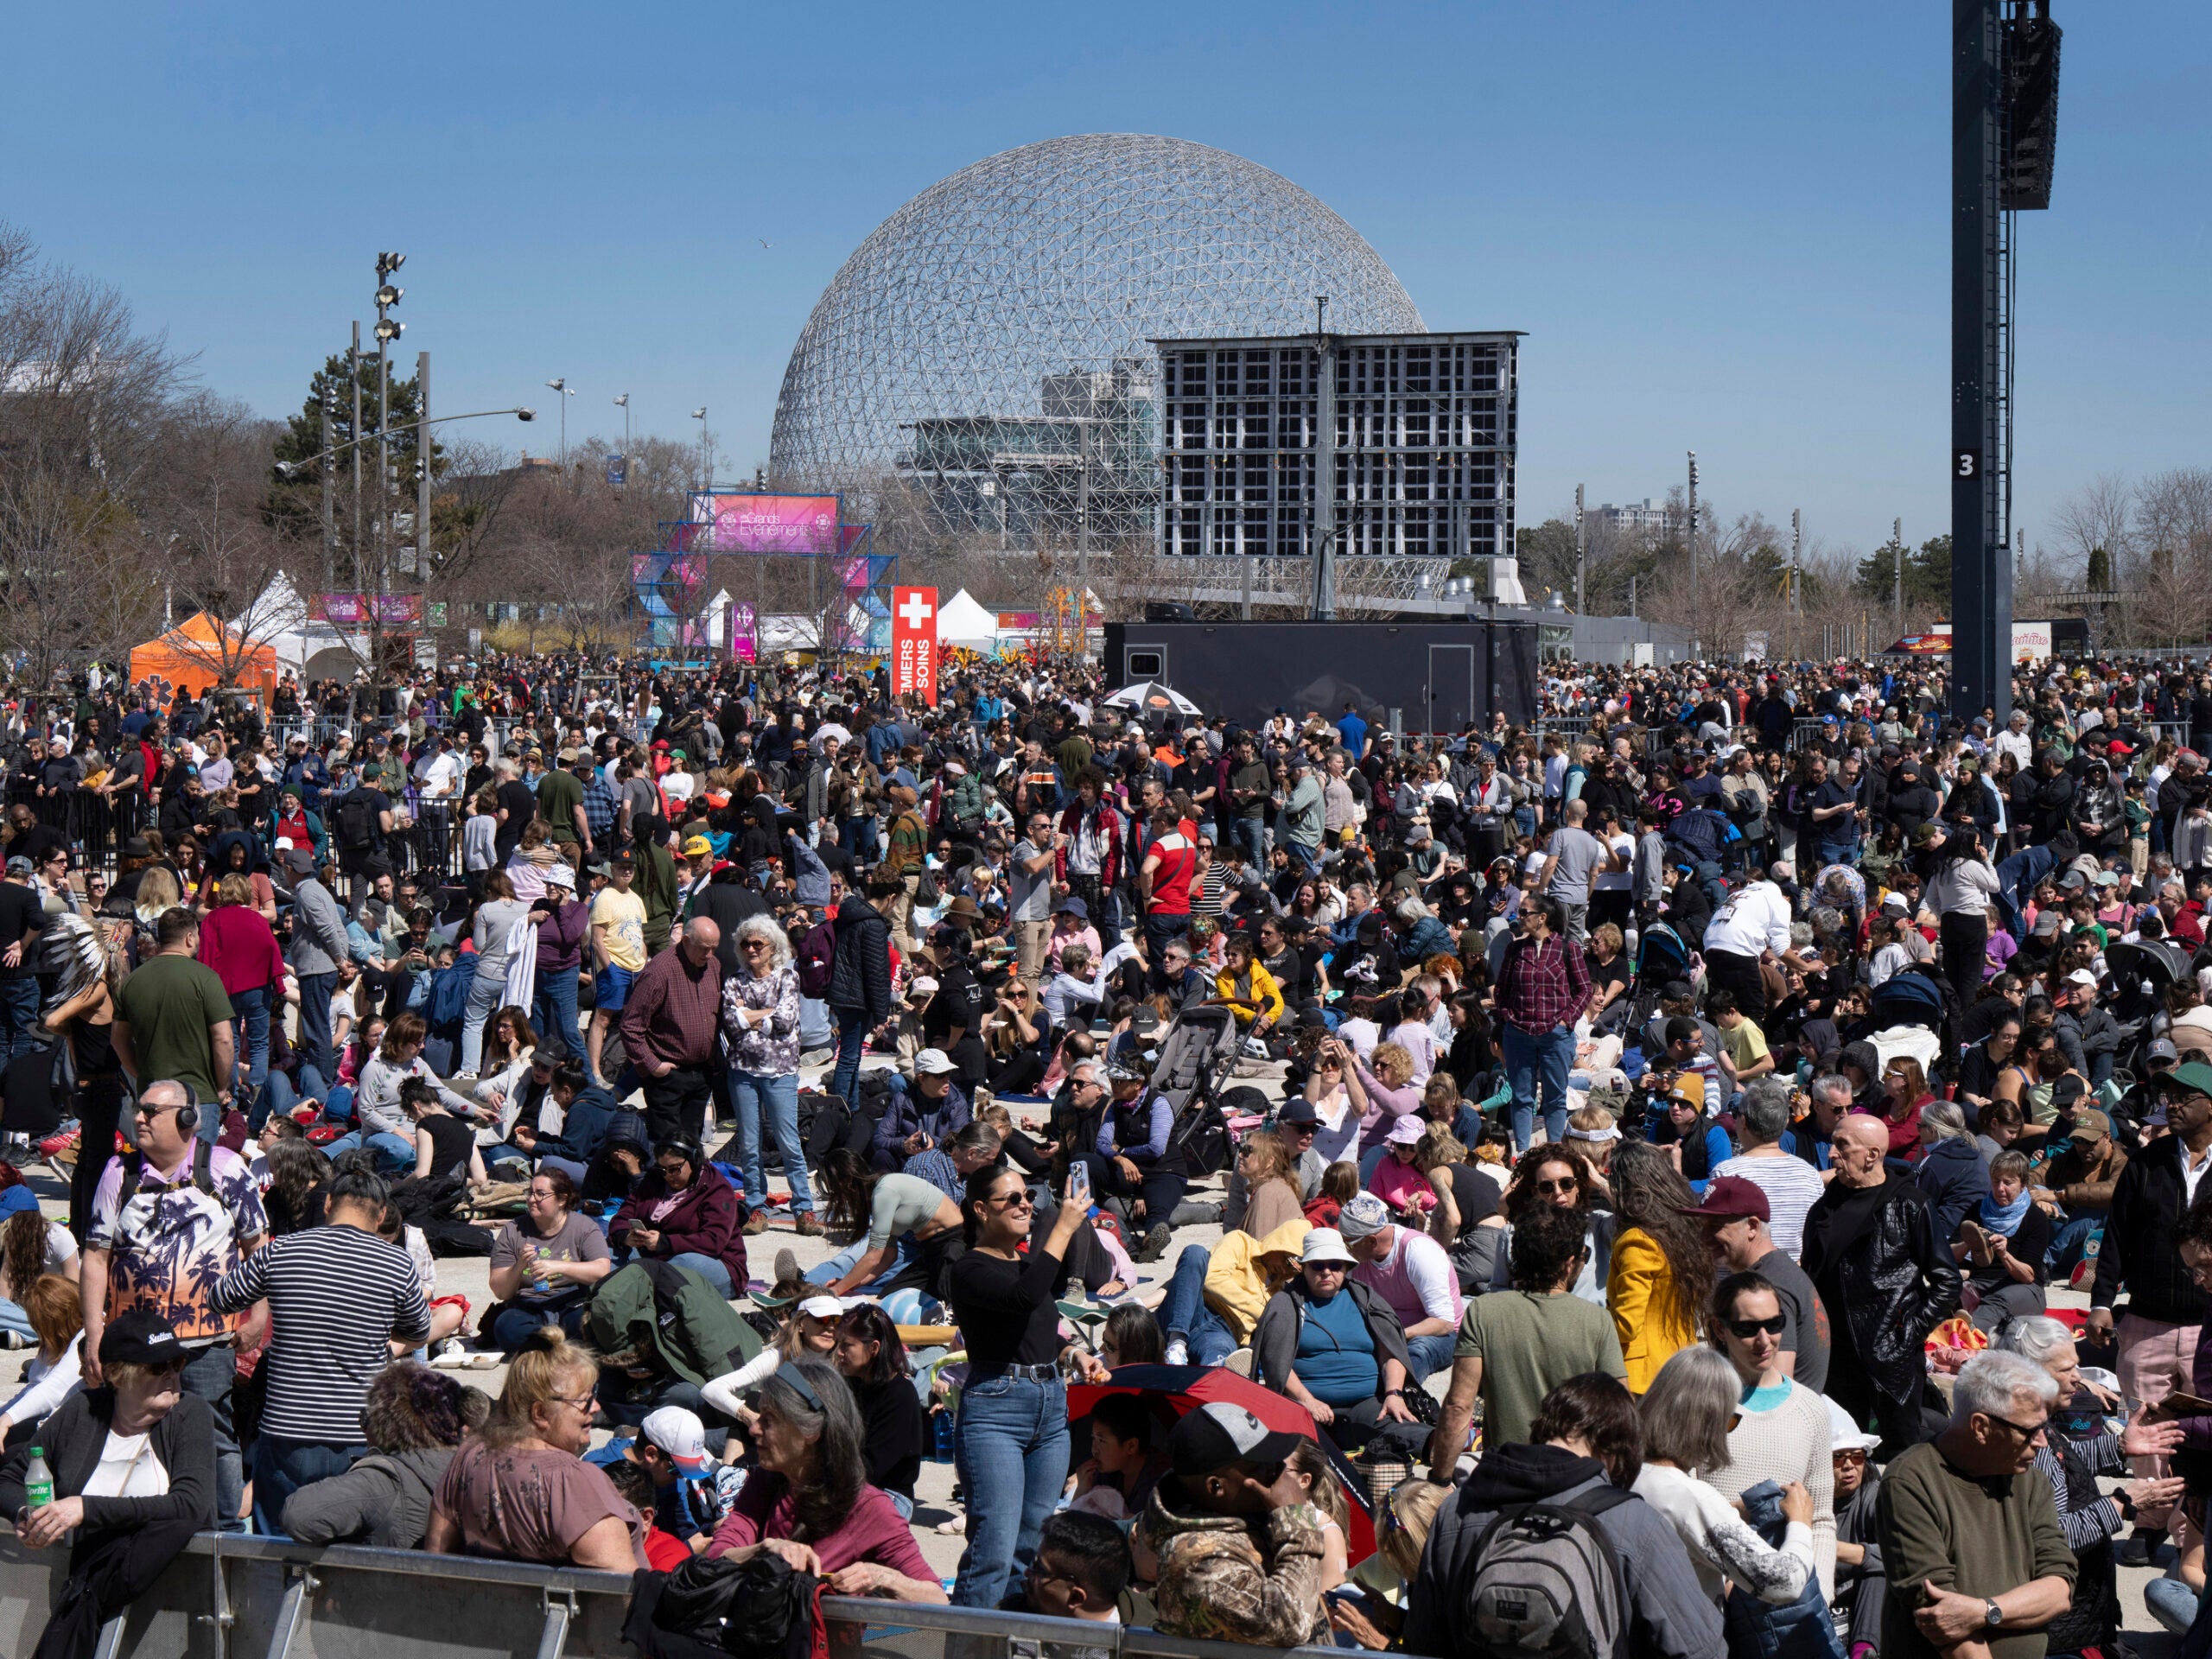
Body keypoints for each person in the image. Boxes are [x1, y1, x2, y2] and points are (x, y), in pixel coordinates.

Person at [1405, 1371, 1726, 1659]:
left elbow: (1424, 1643)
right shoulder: (1636, 1522)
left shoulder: (1457, 1510)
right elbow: (1702, 1650)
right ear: (1614, 1453)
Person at [80, 1078, 267, 1534]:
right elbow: (95, 1256)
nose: (139, 1117)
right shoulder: (117, 1173)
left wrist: (258, 1315)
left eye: (151, 1111)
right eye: (138, 1109)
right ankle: (150, 1522)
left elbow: (258, 1247)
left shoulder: (223, 1168)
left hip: (205, 1340)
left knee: (214, 1432)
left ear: (186, 1119)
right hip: (135, 1345)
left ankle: (222, 1529)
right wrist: (94, 1330)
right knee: (133, 1430)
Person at [209, 1164, 429, 1535]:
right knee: (348, 1549)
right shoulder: (397, 1263)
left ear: (327, 1204)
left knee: (280, 1544)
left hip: (286, 1429)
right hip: (360, 1433)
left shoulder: (282, 1251)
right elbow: (419, 1330)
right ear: (379, 1216)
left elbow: (221, 1297)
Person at [0, 1311, 214, 1659]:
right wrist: (25, 1513)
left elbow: (192, 1504)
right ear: (119, 1374)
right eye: (159, 1368)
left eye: (178, 1363)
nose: (173, 1377)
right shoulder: (83, 1411)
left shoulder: (190, 1414)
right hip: (85, 1604)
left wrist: (85, 1509)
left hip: (170, 1610)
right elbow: (10, 1477)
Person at [2000, 1312, 2186, 1655]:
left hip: (2073, 1620)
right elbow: (2055, 1539)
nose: (2078, 1379)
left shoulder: (2035, 1426)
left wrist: (2118, 1447)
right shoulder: (2029, 1442)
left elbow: (2064, 1465)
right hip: (2057, 1633)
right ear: (2030, 1374)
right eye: (2066, 1370)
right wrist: (2122, 1504)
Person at [944, 1161, 1086, 1610]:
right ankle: (969, 1647)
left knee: (1031, 1549)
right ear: (981, 1210)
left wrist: (1070, 1353)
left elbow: (1038, 1327)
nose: (1026, 1204)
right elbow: (1019, 1301)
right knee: (993, 1548)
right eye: (1013, 1199)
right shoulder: (968, 1268)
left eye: (1029, 1196)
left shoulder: (1026, 1264)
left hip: (1050, 1405)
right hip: (996, 1409)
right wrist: (1061, 1228)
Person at [1874, 1349, 2076, 1659]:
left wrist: (1985, 1611)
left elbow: (2059, 1590)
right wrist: (1984, 1613)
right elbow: (1942, 1620)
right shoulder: (1910, 1481)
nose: (2042, 1441)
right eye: (2029, 1430)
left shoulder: (2028, 1479)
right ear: (1981, 1427)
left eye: (2044, 1427)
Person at [2088, 1058, 2212, 1561]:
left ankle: (2194, 1540)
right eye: (2169, 1096)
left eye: (2184, 1096)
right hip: (2147, 1319)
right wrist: (2100, 1301)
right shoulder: (2147, 1161)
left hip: (2209, 1324)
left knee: (2203, 1436)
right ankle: (2150, 1518)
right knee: (2147, 1425)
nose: (2172, 1105)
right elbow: (2117, 1233)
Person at [705, 1357, 946, 1599]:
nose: (754, 1429)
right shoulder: (767, 1480)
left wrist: (883, 1577)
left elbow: (936, 1598)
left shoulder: (868, 1507)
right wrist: (763, 1550)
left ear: (811, 1431)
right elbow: (716, 1559)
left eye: (769, 1420)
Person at [1427, 1202, 1627, 1480]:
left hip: (1506, 1475)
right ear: (1569, 1263)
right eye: (1584, 1255)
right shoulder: (1597, 1320)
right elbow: (1618, 1410)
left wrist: (1439, 1479)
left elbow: (1459, 1406)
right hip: (1575, 1477)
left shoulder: (1485, 1312)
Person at [1801, 1112, 1961, 1452]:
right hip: (1836, 1360)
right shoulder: (1822, 1209)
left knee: (1904, 1452)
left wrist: (1906, 1334)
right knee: (1844, 1455)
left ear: (1872, 1154)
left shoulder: (1910, 1205)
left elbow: (1947, 1282)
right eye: (1833, 1145)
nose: (1831, 1154)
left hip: (1892, 1358)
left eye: (1842, 1146)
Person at [427, 1328, 646, 1568]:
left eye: (593, 1394)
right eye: (584, 1401)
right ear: (540, 1413)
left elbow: (436, 1555)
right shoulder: (574, 1483)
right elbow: (621, 1588)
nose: (595, 1407)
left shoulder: (469, 1456)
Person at [1129, 1400, 1332, 1647]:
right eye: (1262, 1466)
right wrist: (1296, 1521)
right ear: (1216, 1486)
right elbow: (1290, 1623)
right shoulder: (1195, 1562)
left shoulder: (1247, 1513)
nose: (1279, 1471)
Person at [1632, 1345, 1819, 1610]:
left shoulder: (1627, 1475)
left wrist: (1735, 1509)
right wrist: (1801, 1522)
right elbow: (1783, 1583)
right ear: (1708, 1422)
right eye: (1730, 1420)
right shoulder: (1690, 1497)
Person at [1705, 1272, 1839, 1599]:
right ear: (1721, 1329)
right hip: (1716, 1597)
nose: (1765, 1340)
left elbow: (1820, 1517)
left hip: (1791, 1602)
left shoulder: (1810, 1409)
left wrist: (1816, 1591)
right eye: (1748, 1329)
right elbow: (1681, 1510)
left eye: (1774, 1324)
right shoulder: (1699, 1404)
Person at [282, 1361, 489, 1548]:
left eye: (365, 1418)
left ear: (386, 1425)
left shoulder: (381, 1481)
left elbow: (298, 1517)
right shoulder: (480, 1467)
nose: (363, 1428)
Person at [1249, 1227, 1420, 1454]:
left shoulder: (1367, 1301)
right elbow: (1276, 1363)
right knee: (1295, 1454)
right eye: (1318, 1265)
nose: (1327, 1272)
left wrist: (1394, 1394)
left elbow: (1390, 1351)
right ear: (1303, 1267)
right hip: (1307, 1406)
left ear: (1346, 1267)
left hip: (1369, 1402)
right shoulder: (1286, 1305)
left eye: (1335, 1265)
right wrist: (1307, 1400)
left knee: (1413, 1434)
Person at [721, 913, 820, 1235]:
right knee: (749, 1145)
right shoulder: (734, 981)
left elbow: (785, 1021)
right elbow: (731, 1024)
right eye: (745, 944)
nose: (751, 949)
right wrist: (764, 1016)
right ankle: (756, 1207)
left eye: (757, 944)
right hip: (742, 1072)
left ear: (772, 946)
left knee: (788, 1142)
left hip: (780, 1072)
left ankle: (804, 1208)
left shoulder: (787, 978)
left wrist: (750, 1015)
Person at [1684, 1176, 1828, 1391]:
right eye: (1702, 1226)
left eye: (1714, 1226)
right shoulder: (1774, 1271)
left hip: (1780, 1422)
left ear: (1752, 1226)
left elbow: (1776, 1388)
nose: (1703, 1237)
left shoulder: (1770, 1288)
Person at [111, 907, 234, 1141]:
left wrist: (140, 1074)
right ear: (189, 938)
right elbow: (224, 1038)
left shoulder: (133, 981)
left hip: (152, 1094)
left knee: (154, 1171)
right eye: (196, 935)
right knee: (197, 1171)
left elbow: (118, 1038)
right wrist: (221, 1086)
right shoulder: (206, 978)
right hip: (198, 1095)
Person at [1607, 1139, 1709, 1394]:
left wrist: (1587, 1325)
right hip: (1677, 1365)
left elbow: (1627, 1323)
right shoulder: (1679, 1231)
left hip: (1640, 1377)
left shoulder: (1638, 1241)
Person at [1492, 895, 1590, 1151]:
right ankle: (1524, 1153)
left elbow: (1584, 989)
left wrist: (1566, 1020)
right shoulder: (1514, 950)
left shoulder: (1567, 948)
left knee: (1555, 1097)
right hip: (1519, 1033)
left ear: (1542, 918)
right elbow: (1500, 990)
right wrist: (1508, 1017)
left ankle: (1555, 1151)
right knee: (1522, 1097)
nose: (1520, 917)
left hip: (1555, 1035)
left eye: (1525, 912)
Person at [618, 916, 724, 1149]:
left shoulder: (713, 966)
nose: (709, 955)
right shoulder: (660, 970)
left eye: (714, 949)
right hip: (669, 1075)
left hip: (702, 1071)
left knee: (692, 1145)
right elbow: (631, 1025)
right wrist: (653, 1065)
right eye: (704, 949)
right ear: (686, 941)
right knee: (668, 1147)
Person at [485, 1167, 614, 1354]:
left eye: (540, 1194)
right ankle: (558, 1346)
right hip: (528, 1304)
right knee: (506, 1328)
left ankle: (544, 1347)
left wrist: (558, 1266)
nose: (531, 1199)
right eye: (530, 1192)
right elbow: (501, 1291)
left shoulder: (584, 1226)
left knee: (593, 1323)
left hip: (572, 1302)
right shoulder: (513, 1230)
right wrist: (519, 1265)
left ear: (562, 1199)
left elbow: (602, 1271)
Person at [1338, 1192, 1461, 1382]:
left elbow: (1444, 1322)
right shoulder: (1359, 1259)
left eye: (1348, 1244)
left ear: (1371, 1241)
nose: (1346, 1250)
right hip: (1386, 1330)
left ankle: (1404, 1396)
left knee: (1418, 1351)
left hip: (1437, 1335)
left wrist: (1397, 1335)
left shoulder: (1418, 1252)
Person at [607, 1135, 747, 1299]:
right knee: (607, 1255)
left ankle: (635, 1293)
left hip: (712, 1262)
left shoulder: (716, 1189)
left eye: (675, 1169)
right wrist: (625, 1236)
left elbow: (713, 1241)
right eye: (663, 1169)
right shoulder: (654, 1179)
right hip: (654, 1258)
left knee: (682, 1265)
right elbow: (623, 1215)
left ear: (694, 1160)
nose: (668, 1176)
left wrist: (664, 1242)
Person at [1709, 1076, 1825, 1260]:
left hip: (1741, 1282)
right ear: (1786, 1121)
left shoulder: (1726, 1173)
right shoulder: (1809, 1174)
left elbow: (1715, 1239)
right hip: (1793, 1281)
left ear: (1744, 1122)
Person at [830, 1302, 926, 1517]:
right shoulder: (852, 1383)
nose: (839, 1353)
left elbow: (871, 1469)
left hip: (887, 1494)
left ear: (873, 1348)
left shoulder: (900, 1395)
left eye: (846, 1346)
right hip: (851, 1484)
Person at [1957, 1149, 2050, 1332]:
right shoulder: (1978, 1209)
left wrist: (2004, 1254)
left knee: (1997, 1302)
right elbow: (1950, 1256)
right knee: (1948, 1291)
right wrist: (1968, 1242)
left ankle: (1967, 1333)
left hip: (2024, 1288)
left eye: (2008, 1183)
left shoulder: (2035, 1217)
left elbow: (2028, 1276)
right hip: (1981, 1282)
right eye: (1996, 1181)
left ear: (2023, 1184)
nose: (2000, 1188)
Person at [587, 852, 648, 1089]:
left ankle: (628, 1066)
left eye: (630, 867)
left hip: (636, 968)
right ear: (612, 870)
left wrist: (644, 961)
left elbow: (639, 934)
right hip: (615, 967)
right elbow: (597, 939)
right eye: (622, 867)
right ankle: (594, 1071)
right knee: (602, 1018)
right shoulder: (605, 898)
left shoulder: (635, 899)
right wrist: (610, 968)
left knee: (634, 1020)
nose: (627, 871)